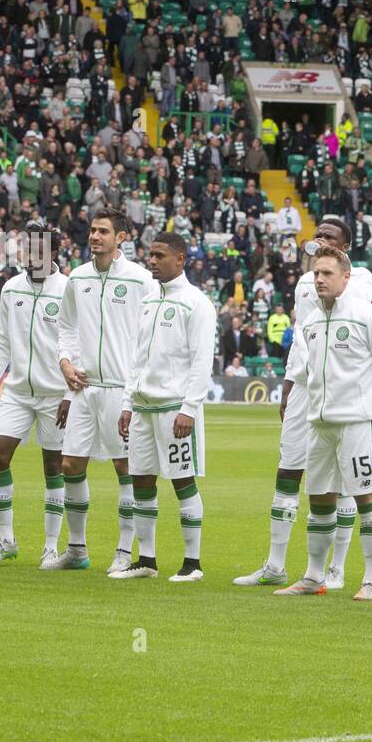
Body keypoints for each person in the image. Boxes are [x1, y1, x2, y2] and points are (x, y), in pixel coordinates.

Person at [235, 218, 372, 591]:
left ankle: (336, 568)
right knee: (287, 469)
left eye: (329, 237)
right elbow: (301, 335)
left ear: (345, 246)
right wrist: (287, 382)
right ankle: (276, 565)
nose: (319, 240)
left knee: (343, 480)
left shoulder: (360, 278)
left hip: (342, 388)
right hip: (303, 384)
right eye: (317, 235)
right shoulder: (304, 281)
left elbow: (340, 307)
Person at [273, 246, 372, 599]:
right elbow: (308, 372)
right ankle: (314, 577)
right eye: (316, 273)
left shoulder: (368, 316)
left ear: (346, 277)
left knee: (366, 497)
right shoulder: (310, 321)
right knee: (320, 500)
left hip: (359, 423)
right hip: (321, 424)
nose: (319, 279)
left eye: (327, 273)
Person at [57, 207, 155, 574]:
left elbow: (151, 334)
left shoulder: (140, 280)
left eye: (103, 231)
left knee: (125, 468)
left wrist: (138, 384)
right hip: (85, 388)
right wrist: (66, 363)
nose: (95, 236)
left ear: (121, 237)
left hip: (121, 390)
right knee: (70, 464)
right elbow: (65, 328)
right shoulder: (76, 278)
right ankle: (77, 550)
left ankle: (124, 551)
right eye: (92, 230)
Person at [116, 233, 217, 582]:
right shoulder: (148, 301)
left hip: (175, 409)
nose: (153, 261)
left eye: (160, 255)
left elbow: (203, 361)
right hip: (144, 409)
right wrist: (128, 402)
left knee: (182, 482)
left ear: (181, 259)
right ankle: (146, 560)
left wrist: (189, 408)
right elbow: (137, 357)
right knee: (140, 481)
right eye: (150, 255)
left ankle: (193, 564)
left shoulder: (197, 303)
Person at [0, 220, 72, 568]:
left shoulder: (68, 289)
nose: (29, 254)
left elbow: (75, 343)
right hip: (17, 391)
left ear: (52, 252)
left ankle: (50, 546)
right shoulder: (11, 288)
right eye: (25, 247)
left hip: (56, 394)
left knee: (54, 466)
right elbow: (1, 339)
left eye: (36, 248)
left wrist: (70, 393)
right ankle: (6, 540)